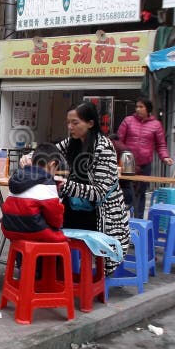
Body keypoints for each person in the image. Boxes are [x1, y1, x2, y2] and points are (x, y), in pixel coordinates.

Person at [23, 102, 130, 274]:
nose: (70, 127)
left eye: (75, 123)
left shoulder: (104, 147)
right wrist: (29, 157)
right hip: (76, 206)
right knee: (42, 223)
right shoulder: (72, 142)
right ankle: (46, 274)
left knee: (52, 227)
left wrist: (67, 185)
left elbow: (100, 192)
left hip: (100, 212)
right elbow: (50, 152)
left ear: (90, 123)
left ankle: (52, 275)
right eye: (68, 123)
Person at [115, 98, 173, 219]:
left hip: (145, 163)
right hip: (128, 162)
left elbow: (160, 144)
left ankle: (138, 219)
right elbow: (118, 141)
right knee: (126, 191)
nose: (138, 109)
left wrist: (165, 157)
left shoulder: (156, 125)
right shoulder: (128, 121)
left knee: (141, 193)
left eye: (141, 107)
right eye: (137, 107)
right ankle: (122, 218)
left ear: (148, 109)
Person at [2, 143, 65, 242]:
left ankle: (21, 258)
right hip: (35, 232)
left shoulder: (19, 177)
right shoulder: (47, 182)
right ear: (53, 164)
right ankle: (50, 258)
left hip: (8, 229)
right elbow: (55, 219)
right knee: (61, 235)